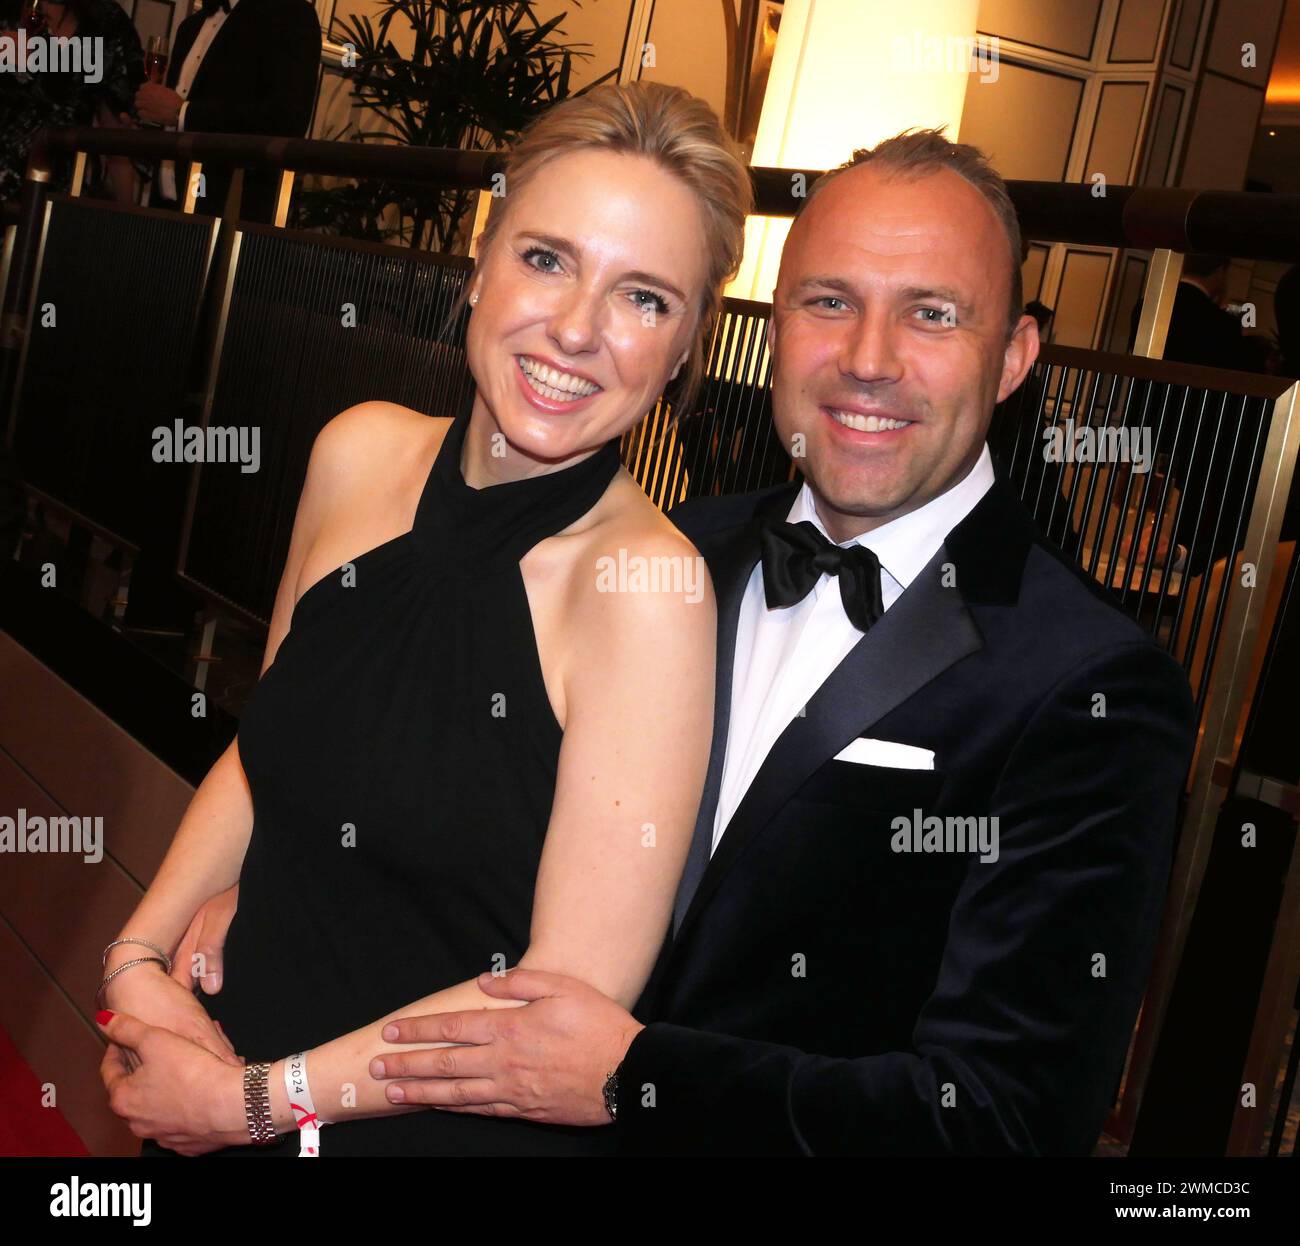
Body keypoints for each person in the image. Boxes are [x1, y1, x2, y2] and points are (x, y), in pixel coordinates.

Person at [354, 131, 1196, 1155]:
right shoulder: (667, 552)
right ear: (771, 324)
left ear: (1014, 357)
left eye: (931, 314)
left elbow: (1003, 1119)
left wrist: (639, 1079)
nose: (868, 360)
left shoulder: (1091, 682)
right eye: (828, 302)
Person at [94, 81, 752, 1156]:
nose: (579, 330)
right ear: (480, 259)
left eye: (645, 299)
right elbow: (265, 755)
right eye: (547, 259)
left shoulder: (649, 591)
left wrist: (251, 1102)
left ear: (685, 351)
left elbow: (557, 1000)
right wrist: (137, 962)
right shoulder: (353, 450)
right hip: (212, 1072)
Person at [133, 0, 320, 223]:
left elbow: (287, 119)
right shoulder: (190, 26)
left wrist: (183, 113)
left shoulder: (293, 15)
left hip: (227, 214)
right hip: (163, 208)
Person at [0, 0, 143, 205]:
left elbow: (116, 142)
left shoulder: (107, 22)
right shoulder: (9, 10)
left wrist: (127, 221)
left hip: (58, 197)